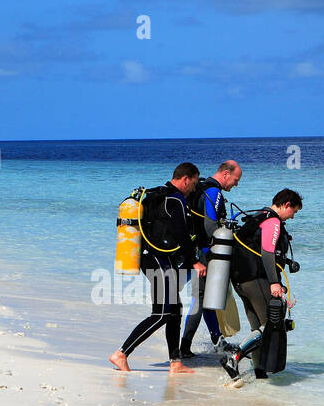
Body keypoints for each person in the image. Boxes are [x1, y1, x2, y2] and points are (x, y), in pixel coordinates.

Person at [110, 162, 205, 375]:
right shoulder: (176, 199)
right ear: (186, 179)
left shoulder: (157, 195)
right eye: (194, 182)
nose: (194, 188)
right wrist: (194, 261)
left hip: (156, 259)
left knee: (175, 311)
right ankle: (121, 353)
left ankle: (175, 362)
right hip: (158, 260)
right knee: (163, 312)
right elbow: (182, 233)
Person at [222, 188, 303, 380]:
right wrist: (274, 283)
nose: (292, 217)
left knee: (257, 328)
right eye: (294, 212)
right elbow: (267, 253)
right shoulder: (272, 221)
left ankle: (259, 372)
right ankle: (233, 358)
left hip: (240, 281)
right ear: (286, 205)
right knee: (269, 326)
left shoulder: (257, 217)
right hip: (255, 280)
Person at [180, 159, 242, 358]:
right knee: (199, 300)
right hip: (205, 253)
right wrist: (224, 245)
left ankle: (217, 341)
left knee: (205, 299)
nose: (236, 184)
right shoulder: (214, 192)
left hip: (193, 250)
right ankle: (183, 347)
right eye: (235, 179)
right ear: (225, 174)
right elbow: (209, 226)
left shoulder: (201, 187)